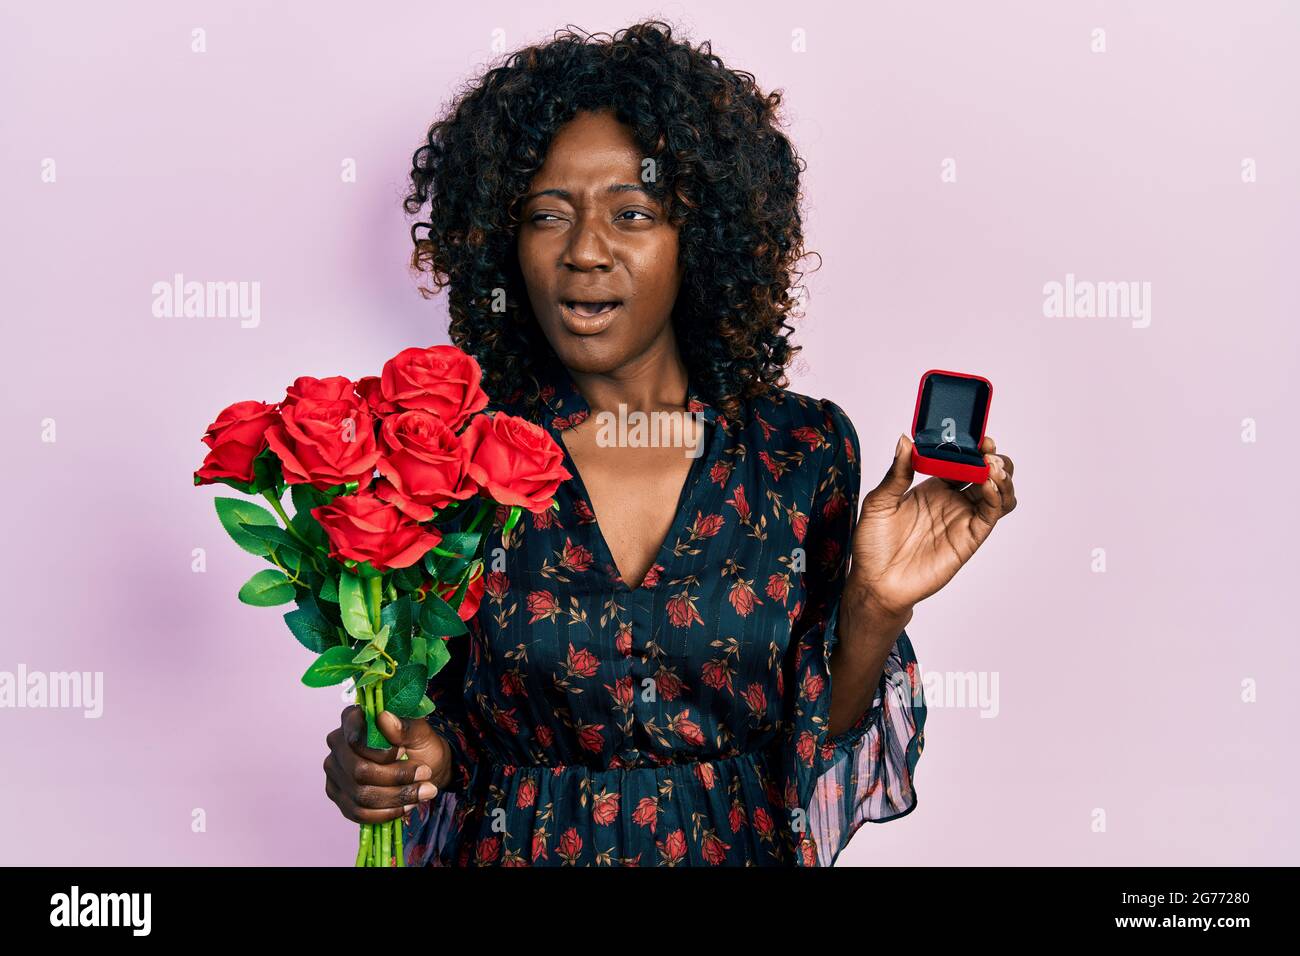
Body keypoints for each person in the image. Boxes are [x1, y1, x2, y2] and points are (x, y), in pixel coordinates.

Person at [322, 20, 1017, 866]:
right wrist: (404, 761)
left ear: (702, 240)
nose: (584, 251)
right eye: (548, 214)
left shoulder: (801, 452)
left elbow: (811, 749)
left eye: (633, 213)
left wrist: (875, 608)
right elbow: (447, 733)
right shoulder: (456, 457)